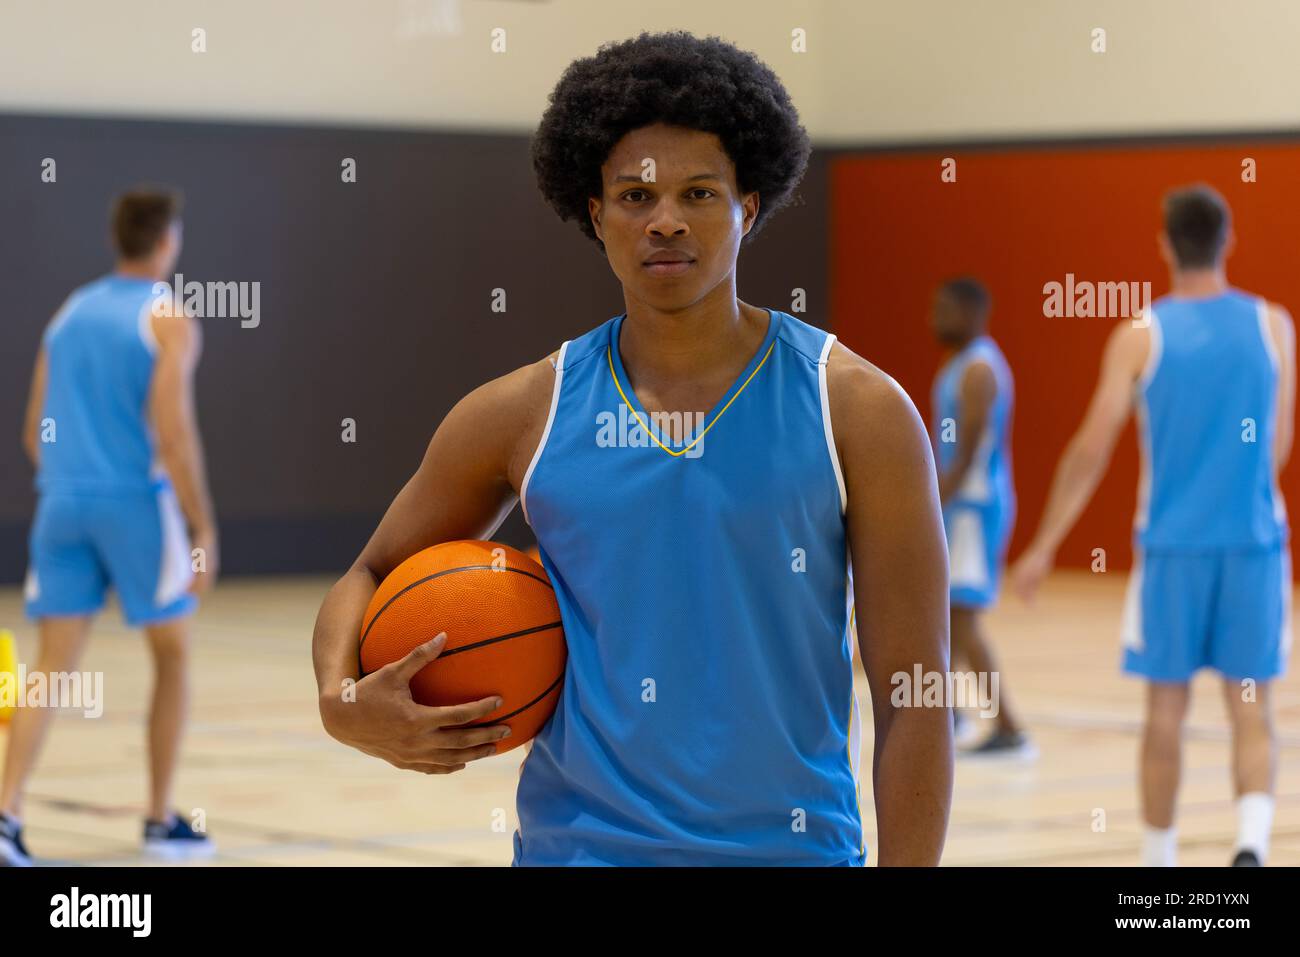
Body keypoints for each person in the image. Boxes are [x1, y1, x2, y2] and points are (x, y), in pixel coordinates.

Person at [313, 31, 952, 866]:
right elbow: (368, 573)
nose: (666, 222)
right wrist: (339, 699)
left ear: (747, 208)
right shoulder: (522, 412)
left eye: (698, 193)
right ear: (595, 212)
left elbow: (915, 694)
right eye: (635, 196)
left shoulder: (858, 410)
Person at [1011, 184, 1293, 867]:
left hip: (1172, 551)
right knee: (1250, 705)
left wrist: (1044, 544)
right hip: (1254, 547)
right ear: (1228, 241)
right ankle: (1251, 843)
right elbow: (1278, 444)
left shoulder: (1140, 335)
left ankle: (1159, 860)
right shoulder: (1273, 325)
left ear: (1164, 244)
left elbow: (1091, 447)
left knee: (1165, 710)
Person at [0, 188, 219, 866]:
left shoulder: (70, 313)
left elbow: (36, 423)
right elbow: (175, 434)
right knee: (173, 655)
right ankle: (158, 821)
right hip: (133, 504)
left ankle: (5, 816)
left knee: (51, 664)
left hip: (61, 502)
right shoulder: (168, 317)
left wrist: (75, 475)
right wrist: (202, 524)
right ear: (168, 242)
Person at [929, 277, 1032, 758]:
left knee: (964, 619)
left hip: (972, 506)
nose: (936, 316)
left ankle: (1010, 728)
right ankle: (949, 715)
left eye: (946, 308)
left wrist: (927, 502)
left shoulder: (979, 370)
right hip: (960, 504)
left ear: (973, 313)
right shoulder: (958, 363)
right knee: (945, 614)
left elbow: (968, 455)